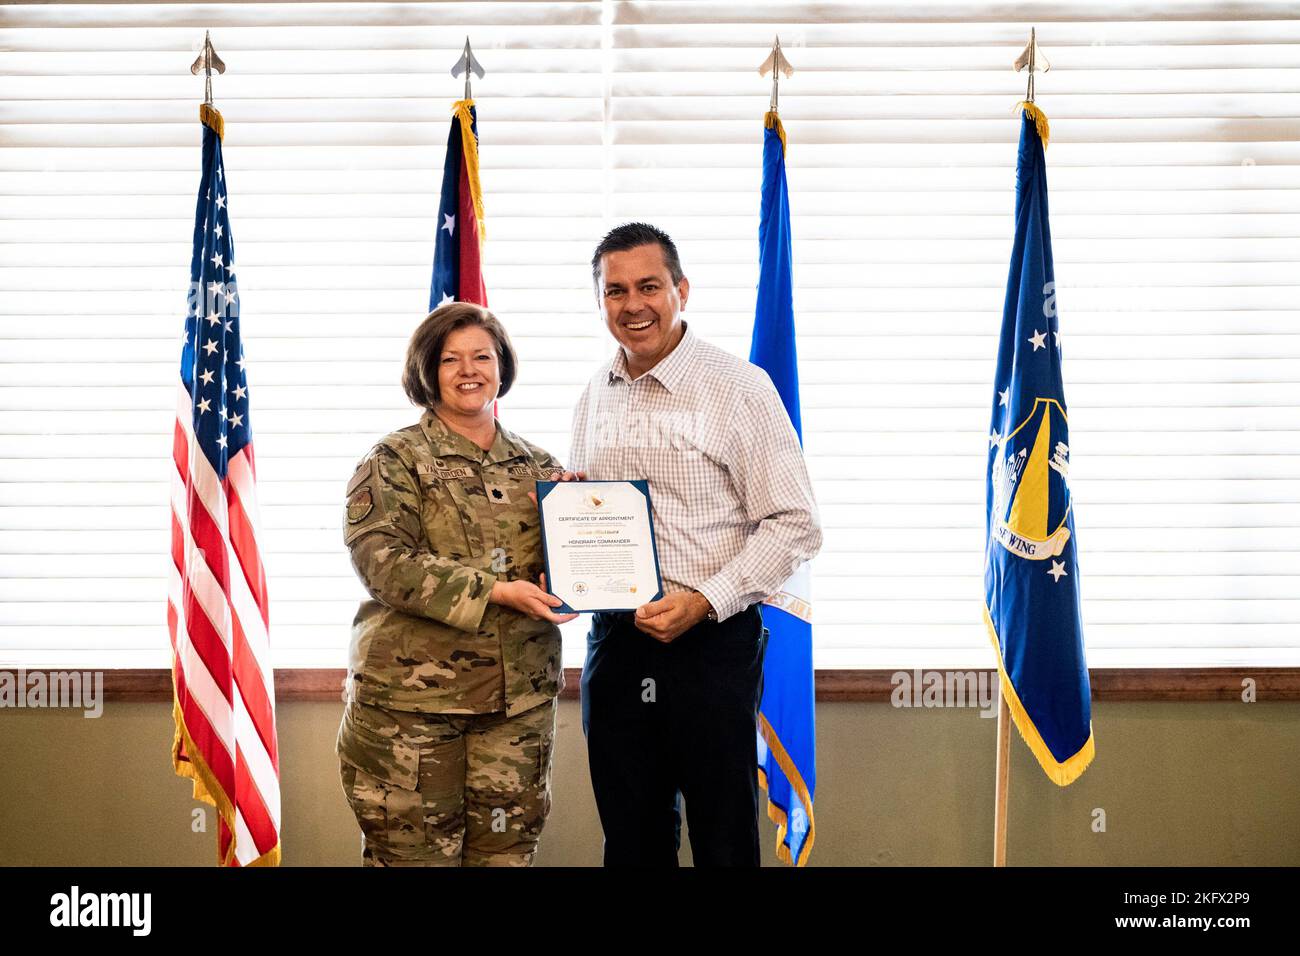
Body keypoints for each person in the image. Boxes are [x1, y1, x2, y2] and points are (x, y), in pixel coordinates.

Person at [571, 222, 822, 866]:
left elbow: (796, 523)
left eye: (649, 286)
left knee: (724, 840)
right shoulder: (594, 394)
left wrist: (705, 601)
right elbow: (591, 518)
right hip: (617, 645)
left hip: (711, 646)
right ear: (600, 301)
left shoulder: (740, 388)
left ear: (681, 290)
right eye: (615, 291)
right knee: (631, 841)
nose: (633, 305)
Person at [337, 302, 577, 866]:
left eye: (482, 356)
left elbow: (559, 572)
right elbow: (382, 561)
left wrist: (588, 525)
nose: (469, 370)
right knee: (413, 861)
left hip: (517, 707)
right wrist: (494, 591)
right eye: (451, 359)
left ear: (502, 366)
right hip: (412, 714)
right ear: (428, 370)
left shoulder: (540, 467)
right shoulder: (394, 460)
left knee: (505, 858)